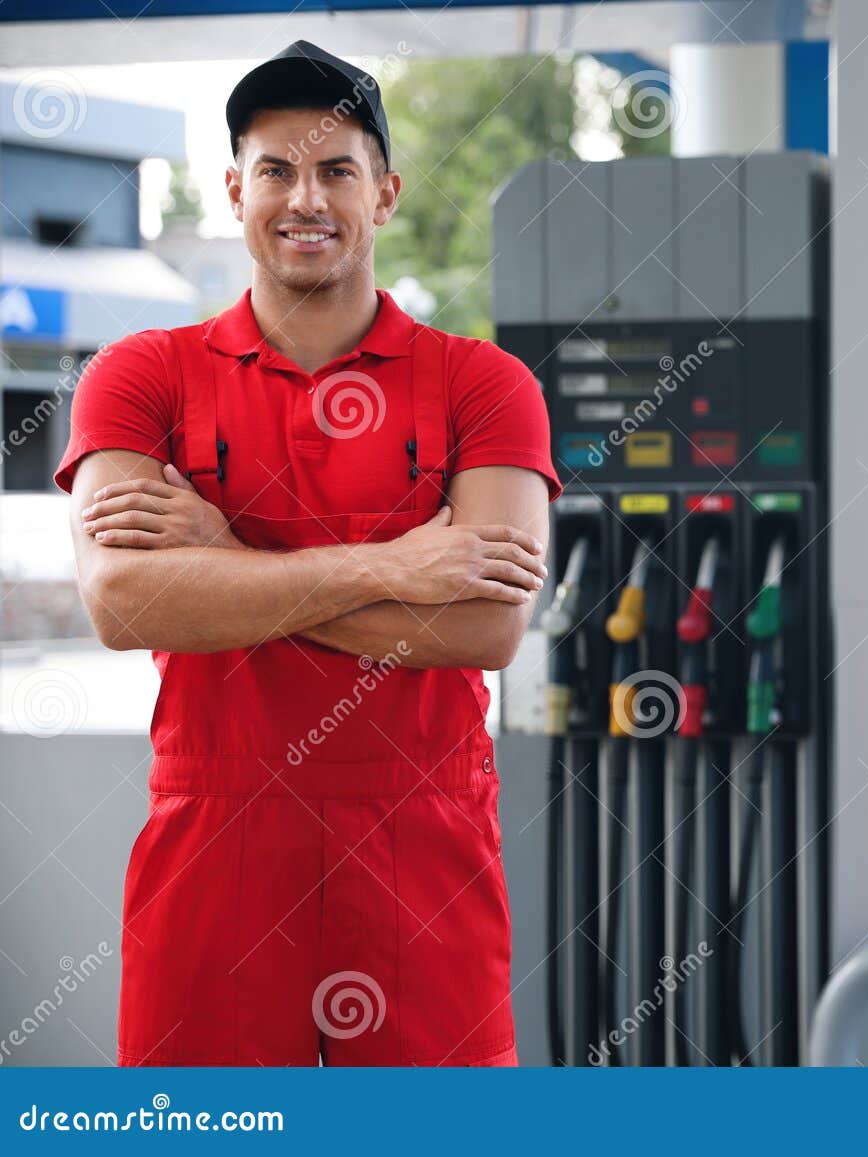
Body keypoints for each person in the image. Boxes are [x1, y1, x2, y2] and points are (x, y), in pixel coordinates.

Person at [55, 41, 560, 1066]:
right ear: (235, 191)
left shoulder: (484, 385)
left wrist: (223, 559)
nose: (306, 198)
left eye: (337, 169)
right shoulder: (140, 377)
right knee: (203, 1129)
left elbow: (485, 626)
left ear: (386, 194)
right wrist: (389, 568)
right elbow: (126, 607)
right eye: (277, 170)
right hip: (215, 831)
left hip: (422, 832)